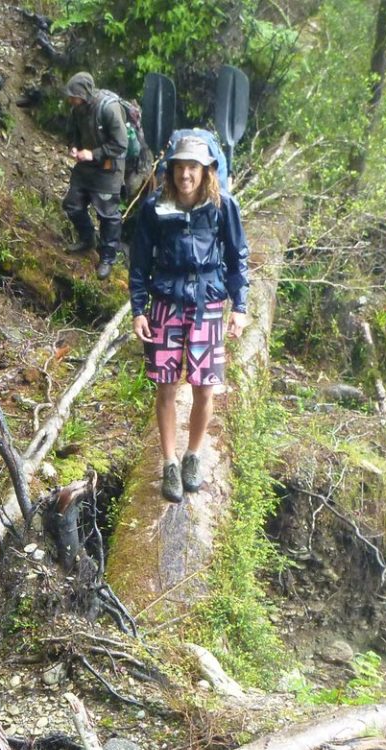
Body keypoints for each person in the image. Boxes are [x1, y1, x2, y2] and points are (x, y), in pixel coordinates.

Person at [128, 133, 249, 503]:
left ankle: (193, 455)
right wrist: (137, 310)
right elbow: (138, 263)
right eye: (180, 166)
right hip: (165, 304)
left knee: (204, 386)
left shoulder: (222, 206)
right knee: (165, 386)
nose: (186, 174)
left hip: (207, 305)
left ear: (206, 170)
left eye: (193, 167)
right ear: (171, 170)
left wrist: (240, 307)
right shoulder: (154, 208)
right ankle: (169, 462)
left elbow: (237, 256)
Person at [61, 72, 128, 280]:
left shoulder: (108, 109)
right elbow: (72, 134)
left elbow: (120, 144)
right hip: (85, 168)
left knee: (108, 215)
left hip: (108, 169)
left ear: (85, 94)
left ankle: (107, 257)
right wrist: (73, 147)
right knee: (72, 204)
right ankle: (87, 239)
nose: (71, 100)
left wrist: (94, 153)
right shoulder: (77, 110)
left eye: (75, 96)